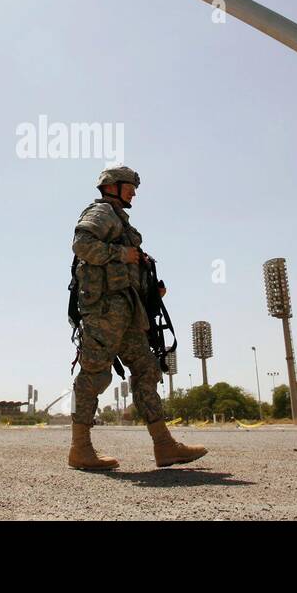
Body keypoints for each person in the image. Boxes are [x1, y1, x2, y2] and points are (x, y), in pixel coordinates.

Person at [68, 166, 205, 470]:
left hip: (128, 313)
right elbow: (82, 245)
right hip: (104, 312)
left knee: (147, 369)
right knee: (95, 374)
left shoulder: (121, 221)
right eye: (129, 186)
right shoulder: (101, 212)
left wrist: (151, 291)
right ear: (112, 186)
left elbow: (127, 269)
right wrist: (122, 255)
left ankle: (164, 445)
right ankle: (80, 449)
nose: (134, 192)